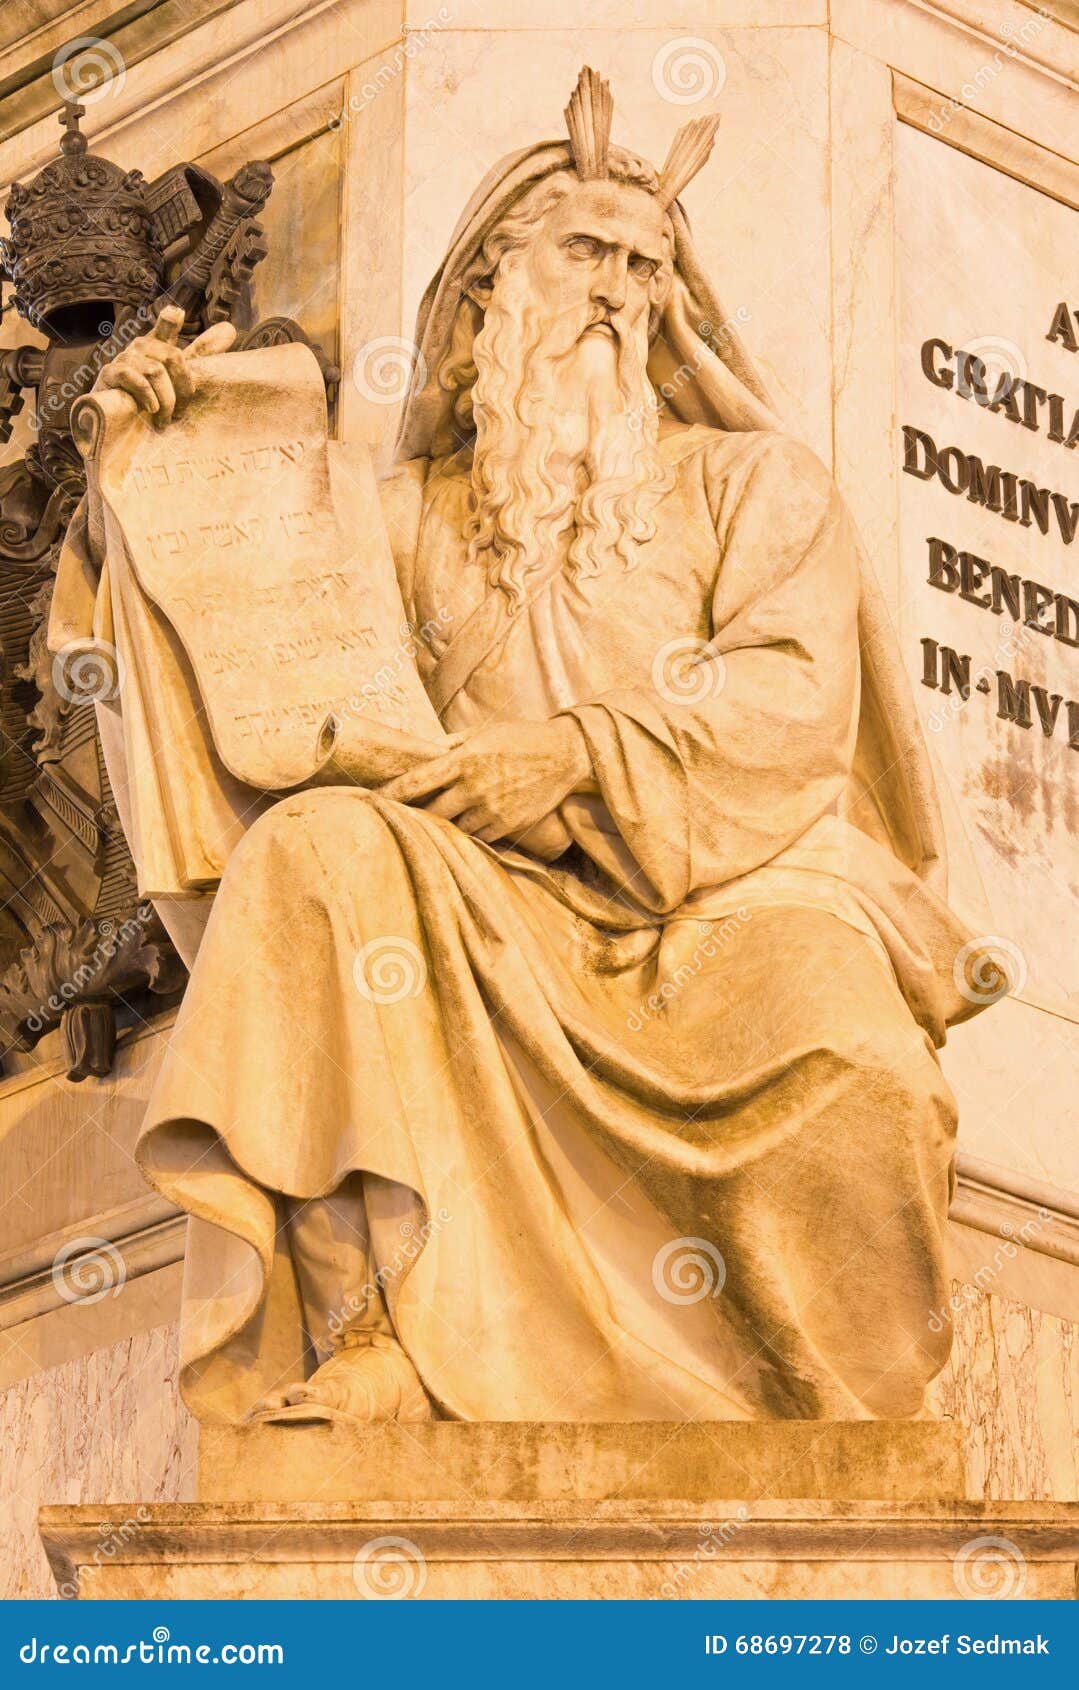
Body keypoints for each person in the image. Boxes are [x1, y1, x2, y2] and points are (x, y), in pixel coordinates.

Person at [89, 69, 988, 1425]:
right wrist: (141, 478)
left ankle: (829, 1425)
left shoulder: (752, 486)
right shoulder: (393, 519)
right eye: (585, 251)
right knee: (314, 858)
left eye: (647, 264)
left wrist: (570, 757)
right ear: (487, 290)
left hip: (729, 894)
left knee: (849, 1050)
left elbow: (793, 702)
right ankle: (381, 1329)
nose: (620, 289)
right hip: (475, 897)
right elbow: (229, 657)